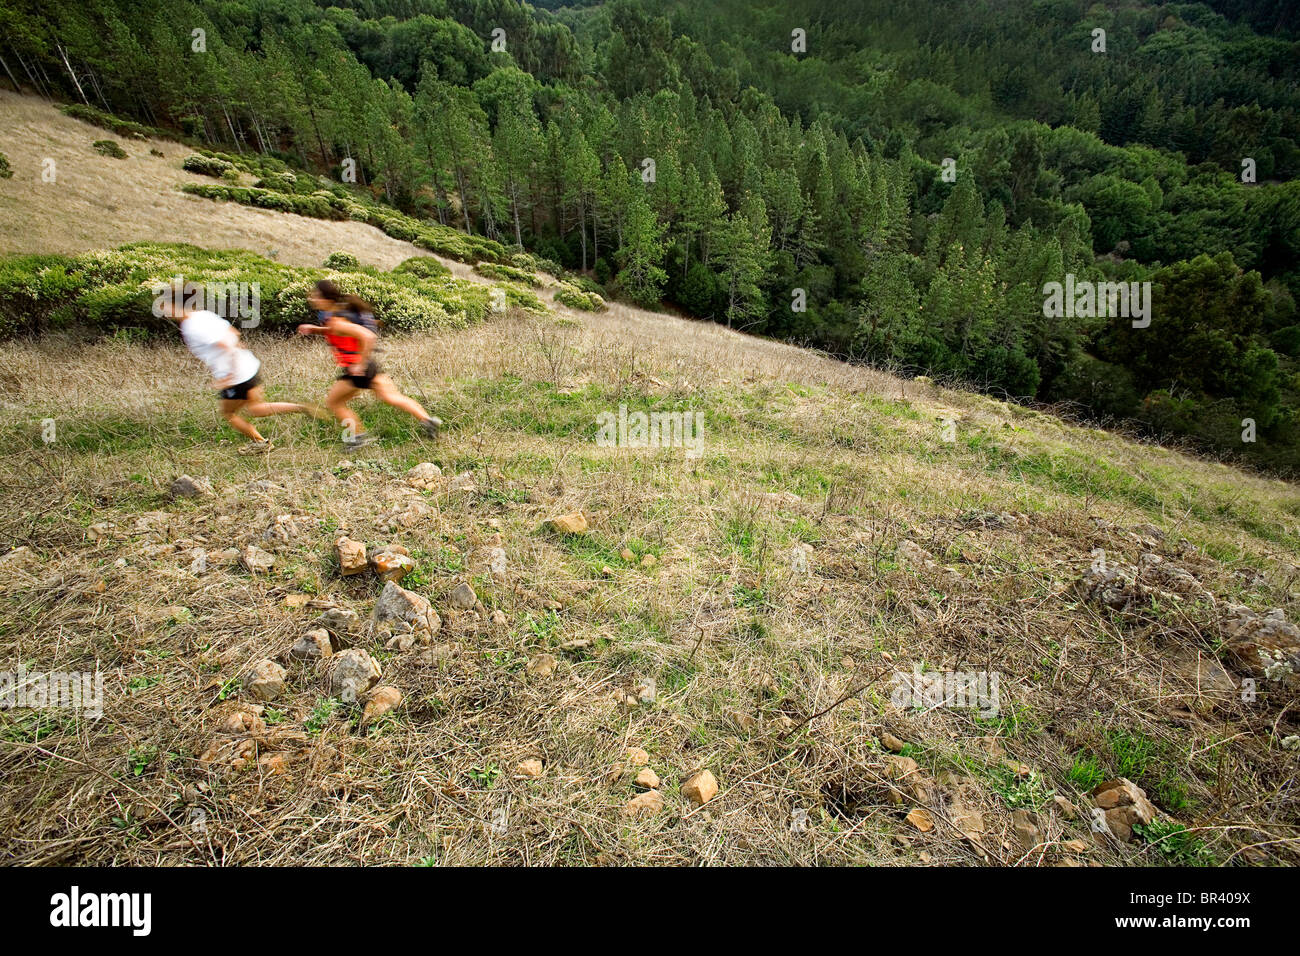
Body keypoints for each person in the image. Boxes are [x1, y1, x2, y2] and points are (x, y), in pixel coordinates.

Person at [163, 285, 318, 454]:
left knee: (229, 413)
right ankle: (300, 407)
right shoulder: (203, 315)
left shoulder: (193, 326)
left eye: (166, 306)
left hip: (236, 375)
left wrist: (229, 376)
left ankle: (261, 442)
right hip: (248, 365)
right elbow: (234, 333)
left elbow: (226, 344)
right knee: (256, 408)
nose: (165, 311)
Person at [297, 280, 441, 448]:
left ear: (327, 299)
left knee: (334, 403)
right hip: (368, 367)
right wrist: (315, 329)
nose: (313, 299)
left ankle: (356, 438)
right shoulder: (337, 316)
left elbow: (368, 337)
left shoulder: (337, 319)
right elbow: (338, 331)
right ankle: (429, 421)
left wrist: (360, 363)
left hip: (356, 370)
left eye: (316, 296)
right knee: (392, 397)